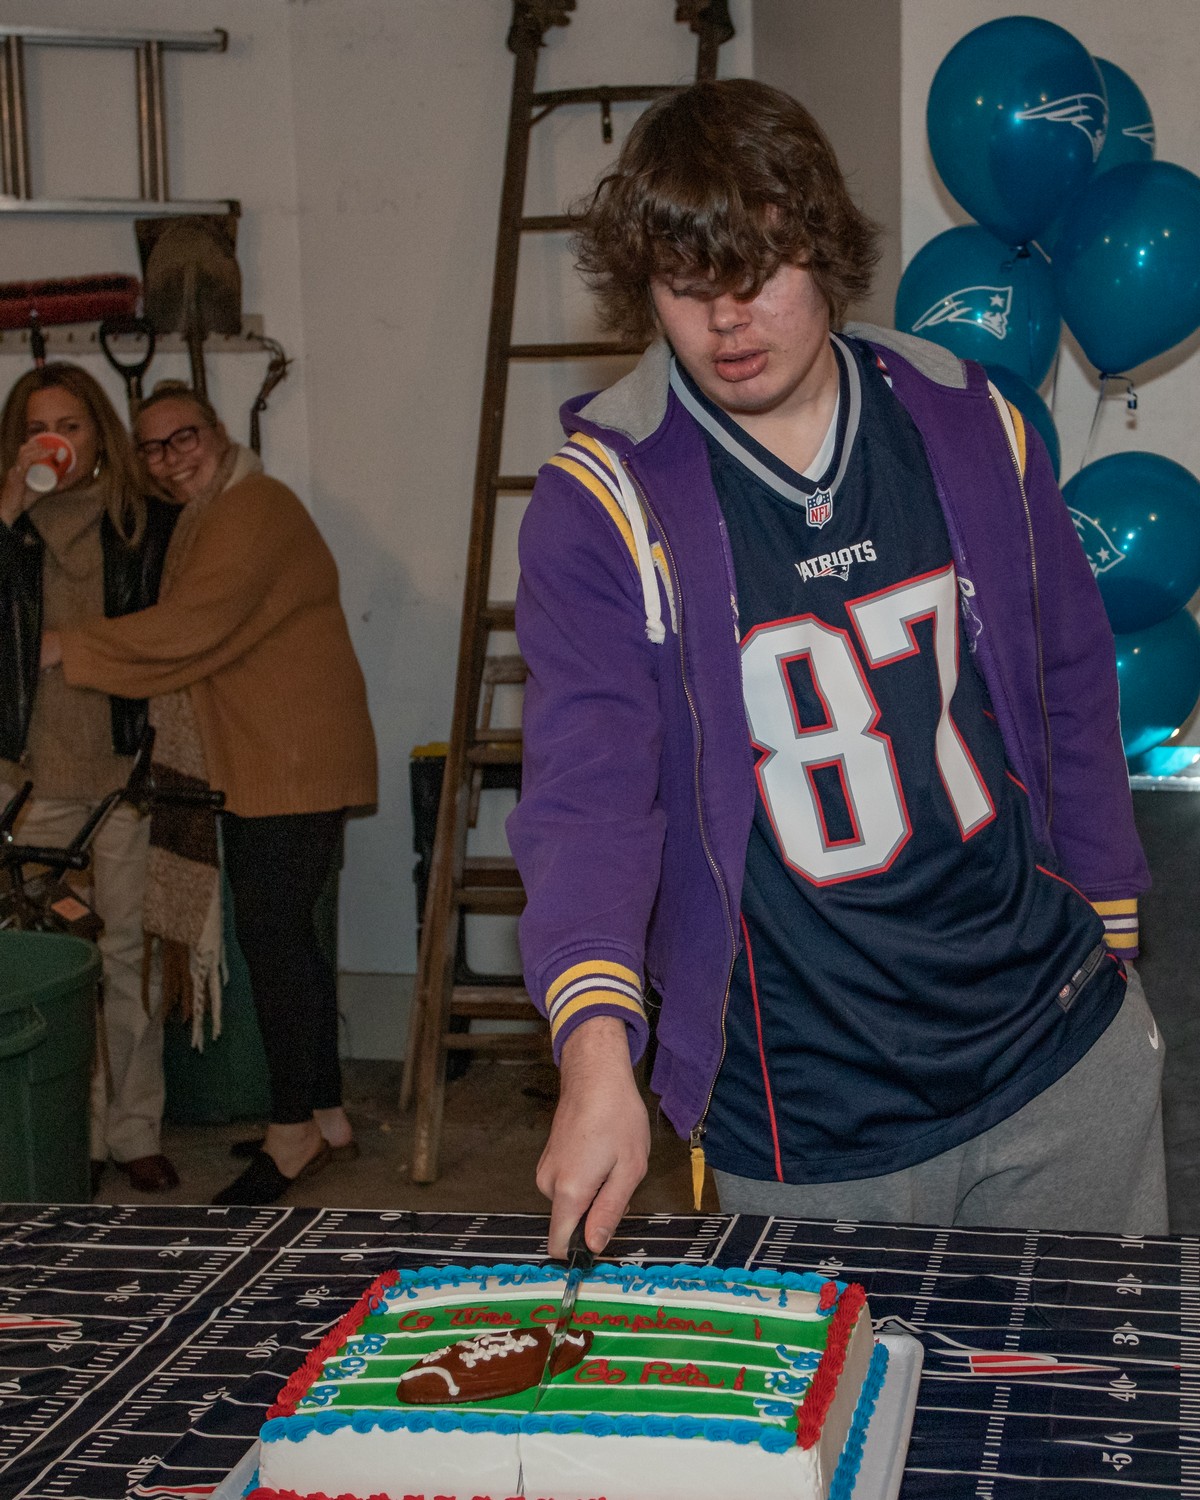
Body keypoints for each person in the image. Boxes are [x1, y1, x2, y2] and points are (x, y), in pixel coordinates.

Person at [507, 79, 1165, 1258]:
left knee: (1087, 1425)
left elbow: (1070, 678)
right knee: (859, 1439)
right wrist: (599, 1049)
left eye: (758, 271)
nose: (726, 322)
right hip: (811, 1112)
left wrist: (1112, 937)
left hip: (1054, 1050)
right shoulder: (599, 505)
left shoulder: (972, 424)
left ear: (823, 245)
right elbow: (588, 794)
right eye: (686, 285)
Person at [42, 383, 377, 1206]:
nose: (171, 458)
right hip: (278, 758)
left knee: (273, 942)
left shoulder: (253, 508)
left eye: (184, 437)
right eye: (153, 448)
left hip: (290, 760)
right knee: (288, 940)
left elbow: (191, 627)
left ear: (219, 434)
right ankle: (326, 1114)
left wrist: (68, 648)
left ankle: (293, 1132)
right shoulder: (215, 511)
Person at [0, 362, 179, 1194]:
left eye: (70, 426)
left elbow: (174, 633)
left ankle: (134, 1128)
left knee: (126, 956)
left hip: (120, 770)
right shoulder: (8, 529)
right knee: (45, 959)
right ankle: (67, 1129)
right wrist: (7, 510)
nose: (56, 443)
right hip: (26, 780)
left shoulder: (141, 522)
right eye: (40, 428)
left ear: (97, 433)